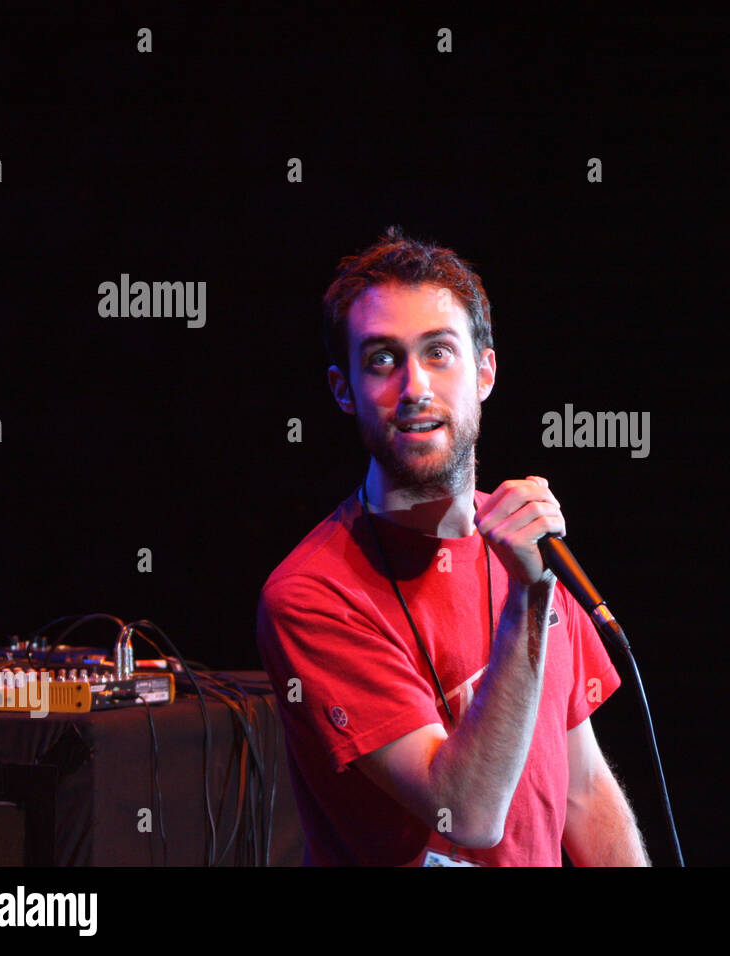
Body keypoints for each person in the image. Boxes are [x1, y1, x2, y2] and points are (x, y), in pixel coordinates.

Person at [256, 226, 649, 866]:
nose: (415, 387)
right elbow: (464, 813)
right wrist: (528, 597)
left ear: (485, 371)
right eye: (382, 359)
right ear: (342, 390)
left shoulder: (525, 543)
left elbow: (581, 788)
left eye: (439, 352)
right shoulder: (312, 594)